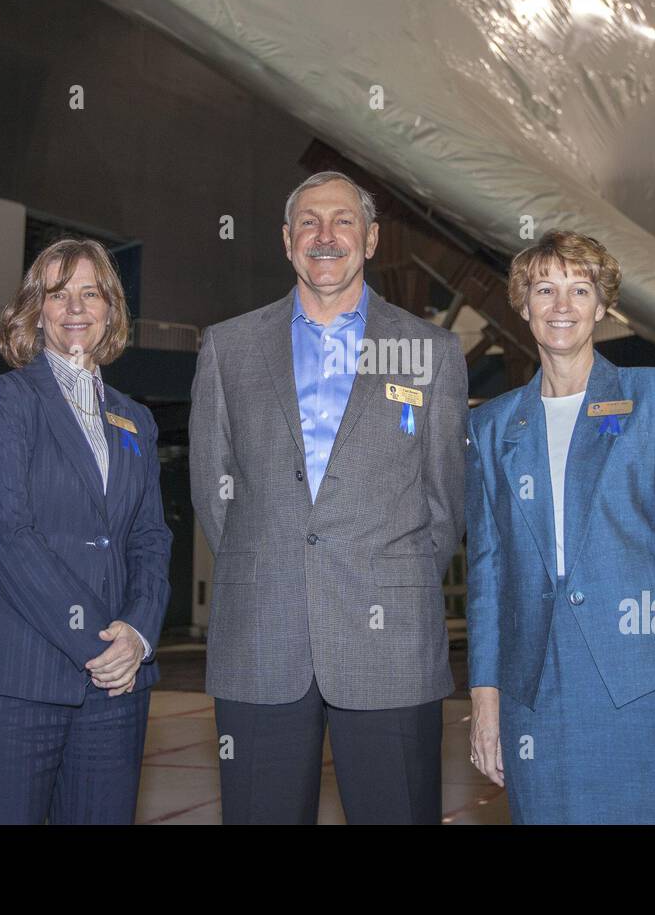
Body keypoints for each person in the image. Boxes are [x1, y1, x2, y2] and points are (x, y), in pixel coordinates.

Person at [189, 170, 467, 824]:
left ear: (370, 239)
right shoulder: (227, 348)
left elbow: (445, 505)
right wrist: (271, 571)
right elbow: (213, 492)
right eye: (309, 222)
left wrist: (390, 579)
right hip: (262, 640)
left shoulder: (431, 350)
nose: (325, 235)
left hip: (390, 645)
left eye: (343, 220)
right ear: (288, 242)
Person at [465, 229, 655, 824]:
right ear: (524, 305)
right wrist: (485, 698)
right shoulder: (491, 427)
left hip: (651, 687)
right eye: (545, 289)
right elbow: (487, 577)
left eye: (579, 289)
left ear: (602, 306)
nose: (561, 306)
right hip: (537, 697)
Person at [0, 238, 172, 824]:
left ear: (111, 310)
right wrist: (103, 644)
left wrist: (139, 635)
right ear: (32, 310)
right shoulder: (2, 399)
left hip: (116, 690)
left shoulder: (135, 420)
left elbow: (149, 538)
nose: (75, 306)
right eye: (57, 293)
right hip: (13, 676)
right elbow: (8, 536)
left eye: (90, 293)